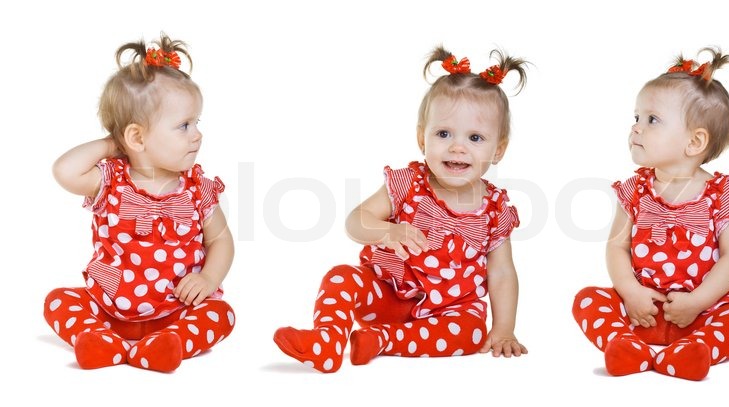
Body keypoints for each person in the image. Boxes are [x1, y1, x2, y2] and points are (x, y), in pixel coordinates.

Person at [273, 45, 529, 373]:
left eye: (475, 138)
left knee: (472, 332)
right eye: (443, 133)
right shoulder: (408, 183)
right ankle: (328, 340)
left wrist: (504, 328)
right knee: (341, 276)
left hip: (449, 312)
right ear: (422, 139)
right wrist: (387, 231)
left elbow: (503, 273)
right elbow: (355, 221)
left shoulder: (494, 209)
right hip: (388, 296)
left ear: (499, 150)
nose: (457, 147)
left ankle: (381, 340)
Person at [43, 33, 235, 373]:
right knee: (58, 301)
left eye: (197, 123)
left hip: (176, 309)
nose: (197, 135)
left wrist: (208, 278)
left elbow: (220, 240)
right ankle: (102, 341)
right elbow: (64, 171)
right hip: (107, 306)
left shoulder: (197, 189)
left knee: (222, 314)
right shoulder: (110, 181)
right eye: (184, 126)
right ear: (136, 136)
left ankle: (165, 345)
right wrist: (113, 144)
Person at [571, 47, 729, 381]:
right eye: (636, 118)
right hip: (641, 310)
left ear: (694, 142)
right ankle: (627, 346)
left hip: (701, 312)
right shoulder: (635, 190)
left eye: (652, 120)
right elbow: (617, 247)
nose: (636, 129)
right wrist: (630, 292)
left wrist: (697, 302)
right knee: (587, 300)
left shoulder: (723, 195)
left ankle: (694, 350)